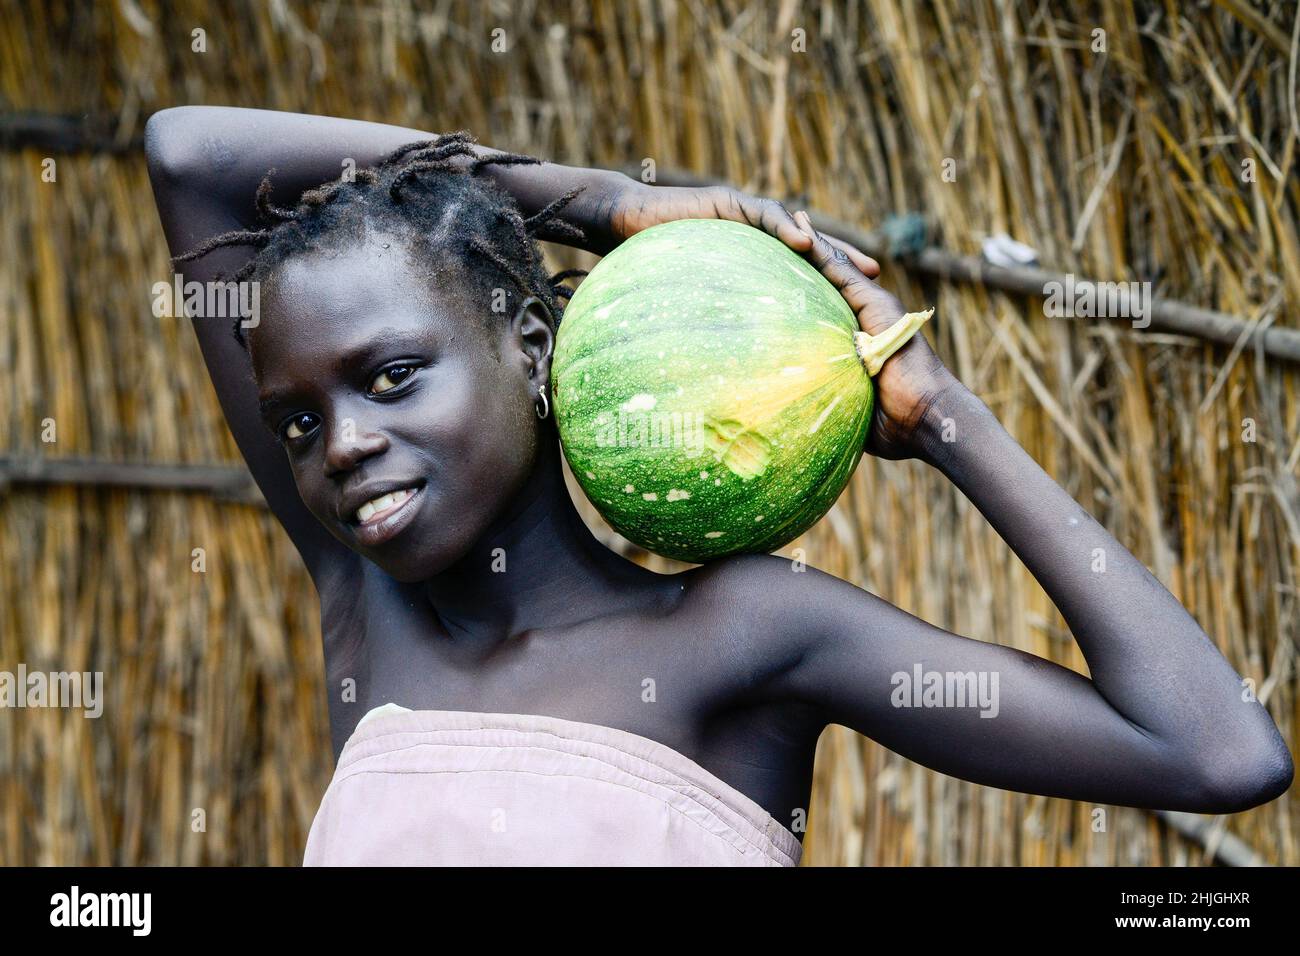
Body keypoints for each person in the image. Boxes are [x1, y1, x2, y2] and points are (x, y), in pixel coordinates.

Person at [145, 106, 1292, 866]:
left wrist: (940, 415)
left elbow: (1214, 752)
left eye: (392, 376)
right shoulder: (368, 605)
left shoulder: (743, 634)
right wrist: (600, 200)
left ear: (532, 349)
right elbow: (185, 151)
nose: (339, 445)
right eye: (299, 419)